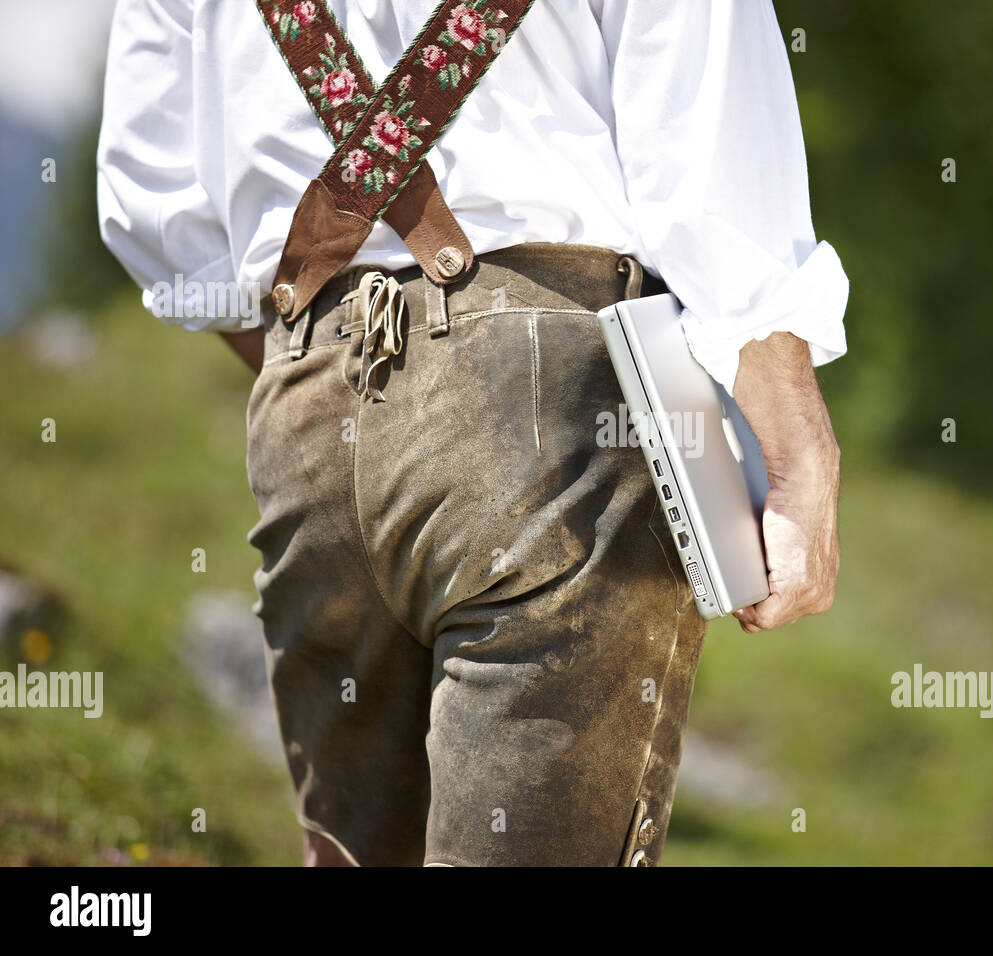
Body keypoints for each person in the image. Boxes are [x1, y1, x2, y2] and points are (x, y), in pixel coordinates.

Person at [97, 0, 848, 867]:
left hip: (307, 404)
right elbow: (708, 139)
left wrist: (319, 364)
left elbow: (155, 205)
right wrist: (798, 456)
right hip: (547, 406)